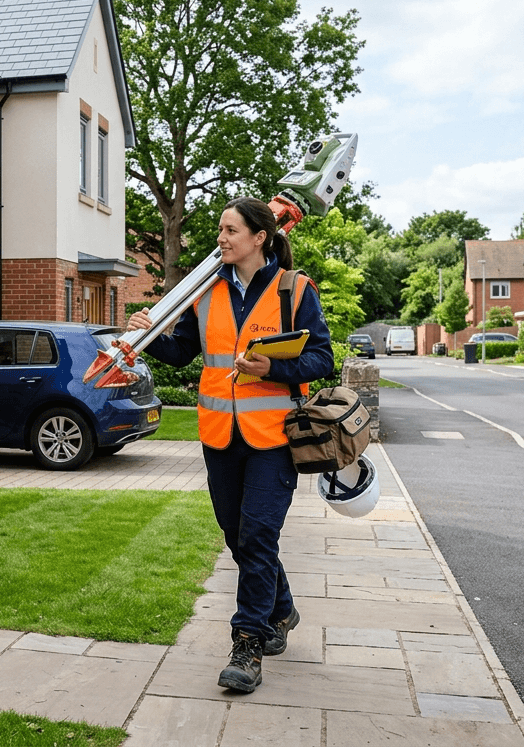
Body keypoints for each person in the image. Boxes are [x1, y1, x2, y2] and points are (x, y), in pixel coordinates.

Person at [127, 197, 333, 692]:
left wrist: (275, 369)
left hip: (272, 440)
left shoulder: (294, 289)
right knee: (236, 536)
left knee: (257, 537)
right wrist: (149, 333)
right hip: (219, 437)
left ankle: (247, 646)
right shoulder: (205, 292)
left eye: (230, 230)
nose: (221, 238)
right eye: (220, 230)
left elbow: (322, 358)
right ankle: (281, 610)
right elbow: (182, 354)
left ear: (259, 238)